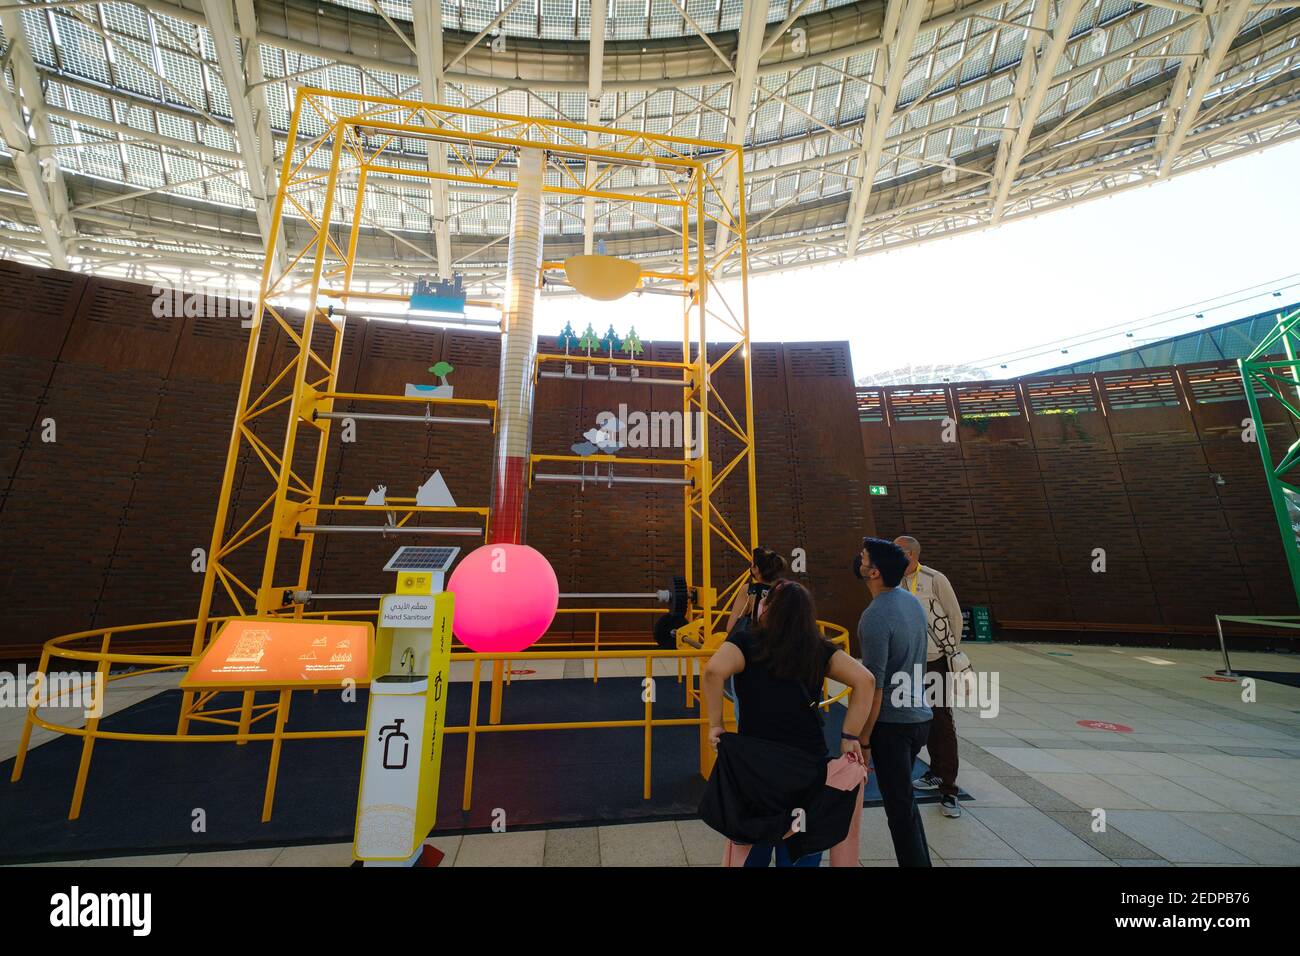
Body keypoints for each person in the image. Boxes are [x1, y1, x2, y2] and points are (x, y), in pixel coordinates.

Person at [703, 579, 876, 867]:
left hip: (756, 767)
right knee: (800, 843)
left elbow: (713, 672)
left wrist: (715, 724)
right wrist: (849, 735)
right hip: (806, 767)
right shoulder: (818, 649)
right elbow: (865, 680)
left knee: (753, 844)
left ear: (766, 608)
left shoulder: (746, 642)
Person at [855, 537, 933, 867]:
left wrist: (865, 738)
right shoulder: (910, 602)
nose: (858, 560)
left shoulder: (874, 617)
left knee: (899, 810)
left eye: (862, 558)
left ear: (873, 572)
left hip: (893, 725)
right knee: (905, 805)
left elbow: (874, 686)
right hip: (920, 719)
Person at [894, 535, 965, 818]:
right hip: (905, 664)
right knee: (906, 718)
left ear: (910, 554)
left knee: (940, 720)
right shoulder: (893, 582)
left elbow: (954, 616)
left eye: (896, 551)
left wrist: (949, 653)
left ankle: (948, 789)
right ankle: (932, 773)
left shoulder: (935, 579)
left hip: (934, 662)